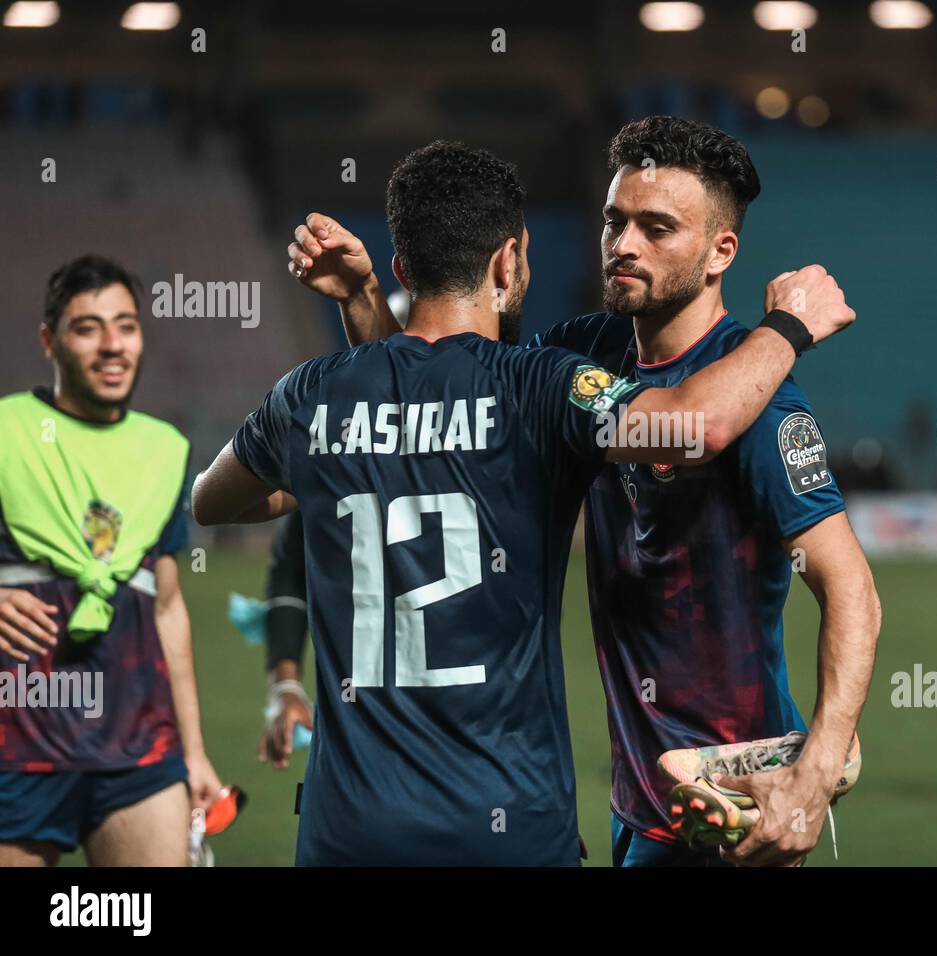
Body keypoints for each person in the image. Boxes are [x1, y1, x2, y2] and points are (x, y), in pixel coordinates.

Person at [194, 140, 854, 865]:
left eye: (656, 227)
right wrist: (790, 327)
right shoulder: (552, 376)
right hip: (522, 821)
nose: (623, 244)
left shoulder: (312, 395)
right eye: (613, 221)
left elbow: (221, 496)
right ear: (509, 262)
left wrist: (363, 305)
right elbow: (684, 426)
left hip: (361, 830)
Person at [0, 254, 222, 867]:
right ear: (50, 341)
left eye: (125, 325)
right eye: (87, 328)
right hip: (15, 747)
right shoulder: (7, 433)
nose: (111, 345)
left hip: (138, 753)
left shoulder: (163, 451)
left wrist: (193, 753)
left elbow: (168, 609)